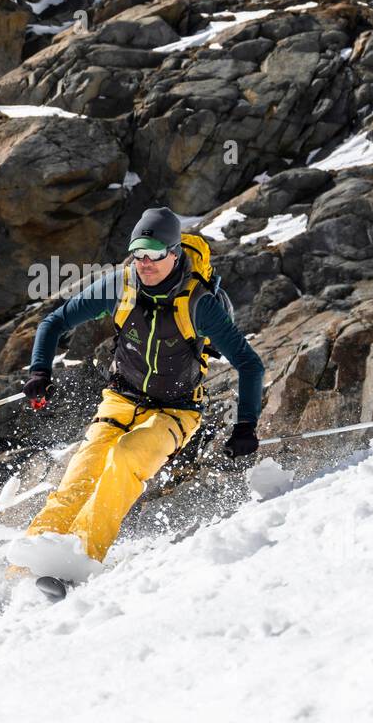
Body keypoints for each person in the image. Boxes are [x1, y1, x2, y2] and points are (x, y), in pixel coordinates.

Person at [19, 206, 264, 568]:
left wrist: (245, 427)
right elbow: (54, 322)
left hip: (176, 410)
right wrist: (40, 372)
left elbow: (249, 364)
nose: (145, 263)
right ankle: (22, 572)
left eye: (154, 254)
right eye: (138, 254)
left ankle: (79, 560)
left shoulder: (199, 303)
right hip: (119, 400)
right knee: (76, 481)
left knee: (126, 459)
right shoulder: (121, 285)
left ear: (174, 253)